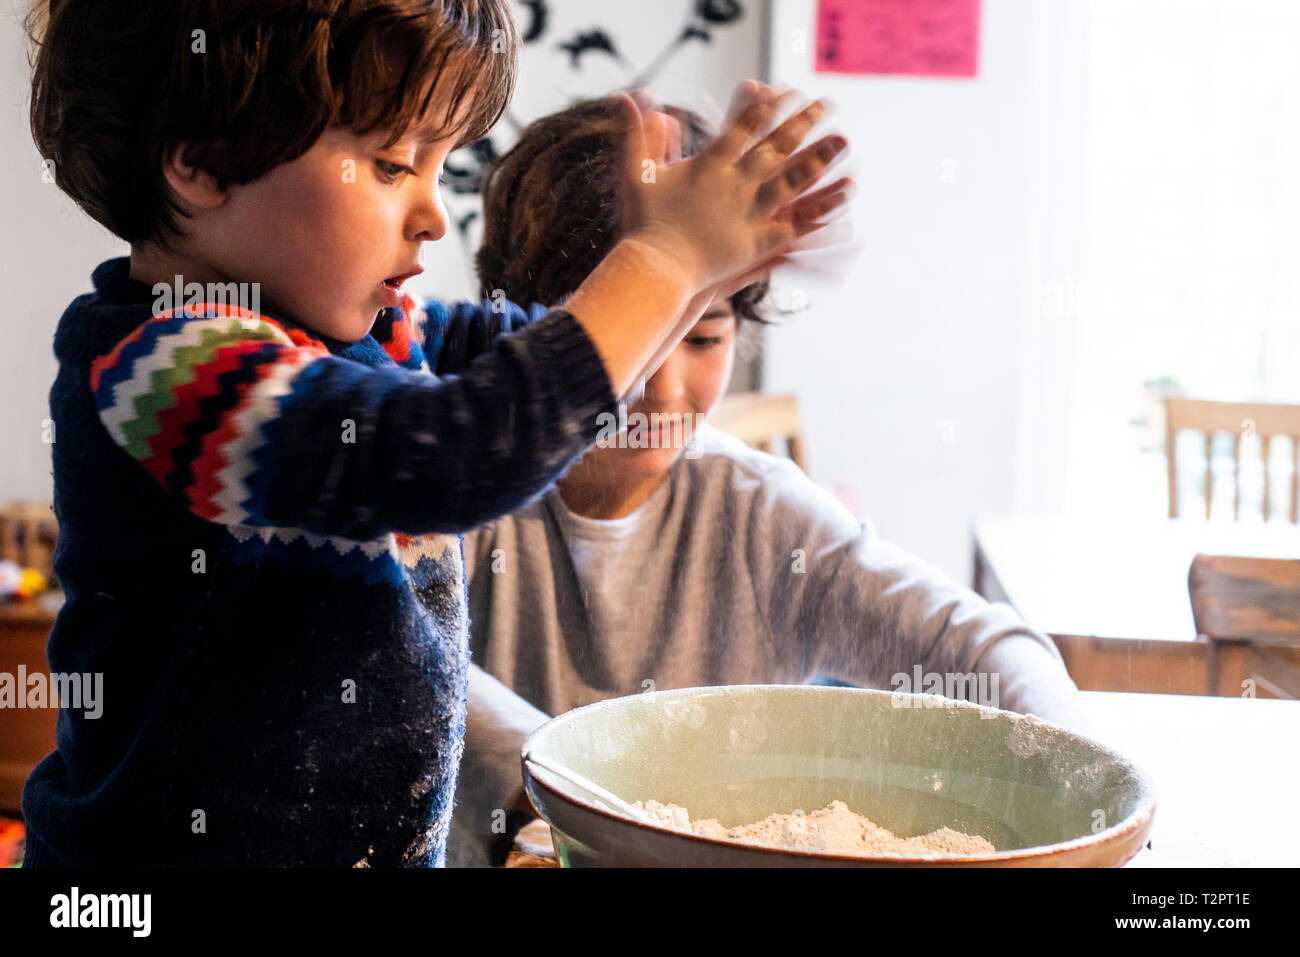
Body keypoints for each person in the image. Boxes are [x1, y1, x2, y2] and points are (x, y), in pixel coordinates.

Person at [20, 0, 852, 867]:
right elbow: (465, 449)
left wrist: (695, 274)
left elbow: (545, 363)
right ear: (200, 158)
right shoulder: (168, 370)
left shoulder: (367, 334)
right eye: (390, 165)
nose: (432, 215)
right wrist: (666, 262)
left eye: (439, 164)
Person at [449, 99, 1093, 866]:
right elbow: (407, 662)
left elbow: (989, 647)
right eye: (628, 336)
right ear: (520, 328)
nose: (660, 390)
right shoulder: (457, 487)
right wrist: (559, 790)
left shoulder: (761, 518)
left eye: (706, 335)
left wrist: (1077, 789)